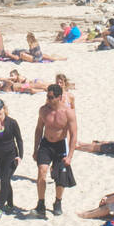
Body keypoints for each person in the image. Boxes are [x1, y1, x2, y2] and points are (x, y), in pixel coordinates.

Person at [32, 83, 77, 217]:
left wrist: (70, 156)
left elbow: (74, 134)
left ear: (59, 97)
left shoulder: (68, 112)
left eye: (51, 97)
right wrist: (35, 148)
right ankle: (41, 203)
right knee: (41, 172)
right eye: (47, 96)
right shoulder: (43, 110)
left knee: (60, 177)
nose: (48, 99)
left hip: (60, 146)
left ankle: (58, 202)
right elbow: (39, 129)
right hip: (46, 145)